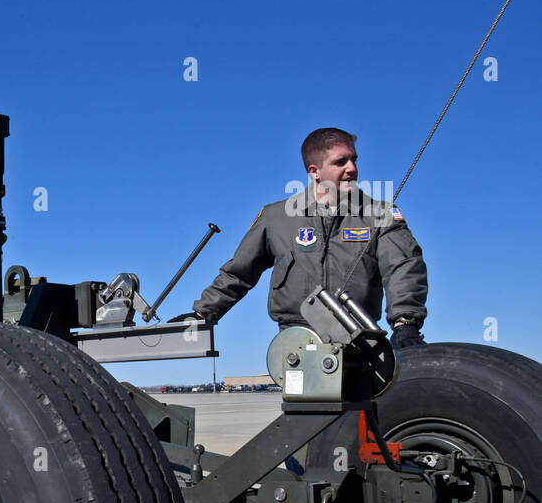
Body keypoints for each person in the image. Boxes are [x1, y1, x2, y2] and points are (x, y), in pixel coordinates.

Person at [181, 128, 428, 348]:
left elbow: (403, 266)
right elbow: (239, 273)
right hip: (295, 342)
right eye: (341, 161)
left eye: (354, 159)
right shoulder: (276, 217)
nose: (352, 168)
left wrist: (405, 322)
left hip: (361, 342)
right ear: (315, 171)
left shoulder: (380, 215)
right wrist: (201, 315)